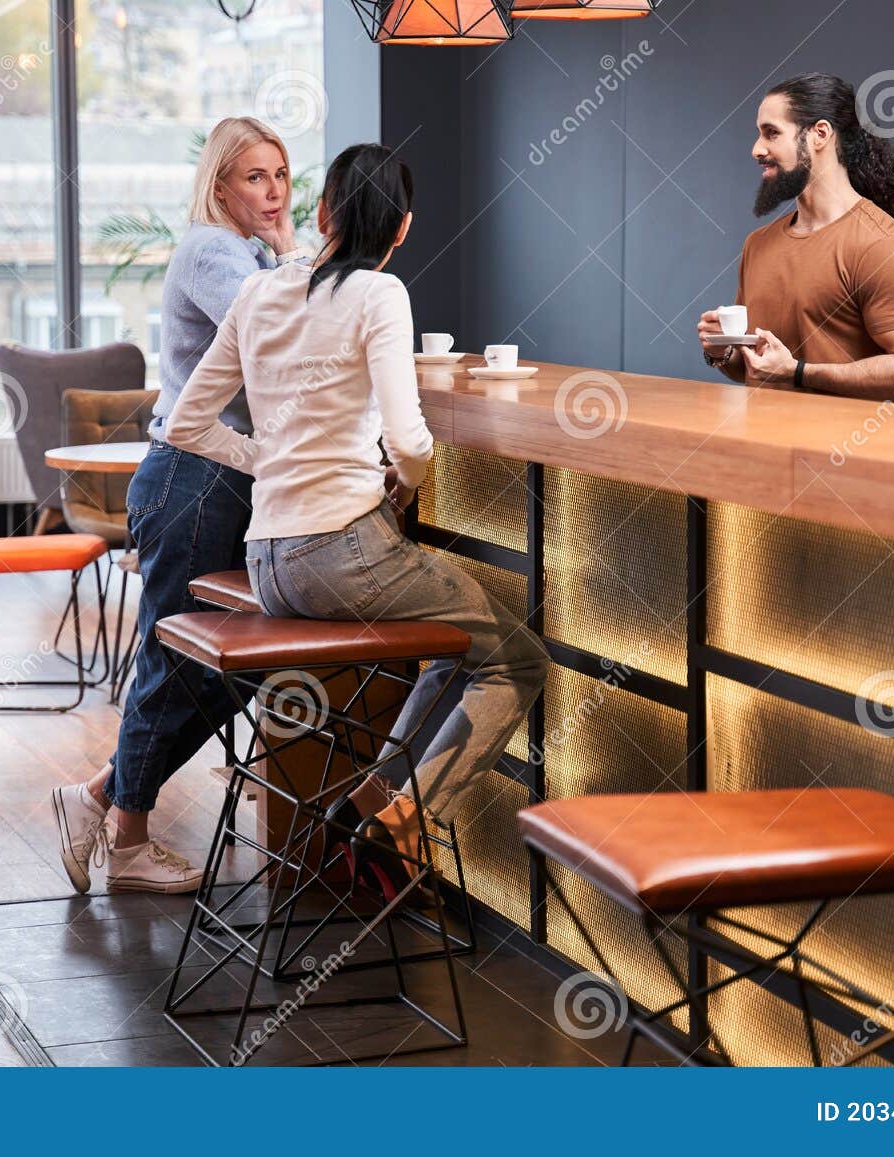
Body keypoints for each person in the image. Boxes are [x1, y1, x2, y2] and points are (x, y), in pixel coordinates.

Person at [165, 142, 548, 900]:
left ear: (320, 213)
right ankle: (399, 827)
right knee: (515, 659)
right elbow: (410, 440)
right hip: (344, 554)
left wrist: (269, 459)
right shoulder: (380, 294)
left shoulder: (259, 293)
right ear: (402, 228)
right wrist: (401, 484)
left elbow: (185, 423)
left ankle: (371, 806)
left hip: (269, 566)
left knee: (452, 648)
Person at [50, 116, 307, 895]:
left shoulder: (251, 254)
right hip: (192, 479)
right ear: (220, 185)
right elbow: (279, 329)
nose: (273, 191)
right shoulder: (211, 251)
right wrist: (292, 250)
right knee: (176, 659)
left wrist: (283, 249)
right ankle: (127, 840)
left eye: (281, 175)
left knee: (235, 667)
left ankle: (100, 795)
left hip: (229, 482)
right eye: (255, 176)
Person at [698, 73, 894, 402]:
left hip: (848, 438)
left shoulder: (879, 245)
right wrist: (723, 350)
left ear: (820, 134)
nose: (757, 149)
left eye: (772, 133)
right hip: (762, 433)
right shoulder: (757, 244)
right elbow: (755, 367)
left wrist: (799, 371)